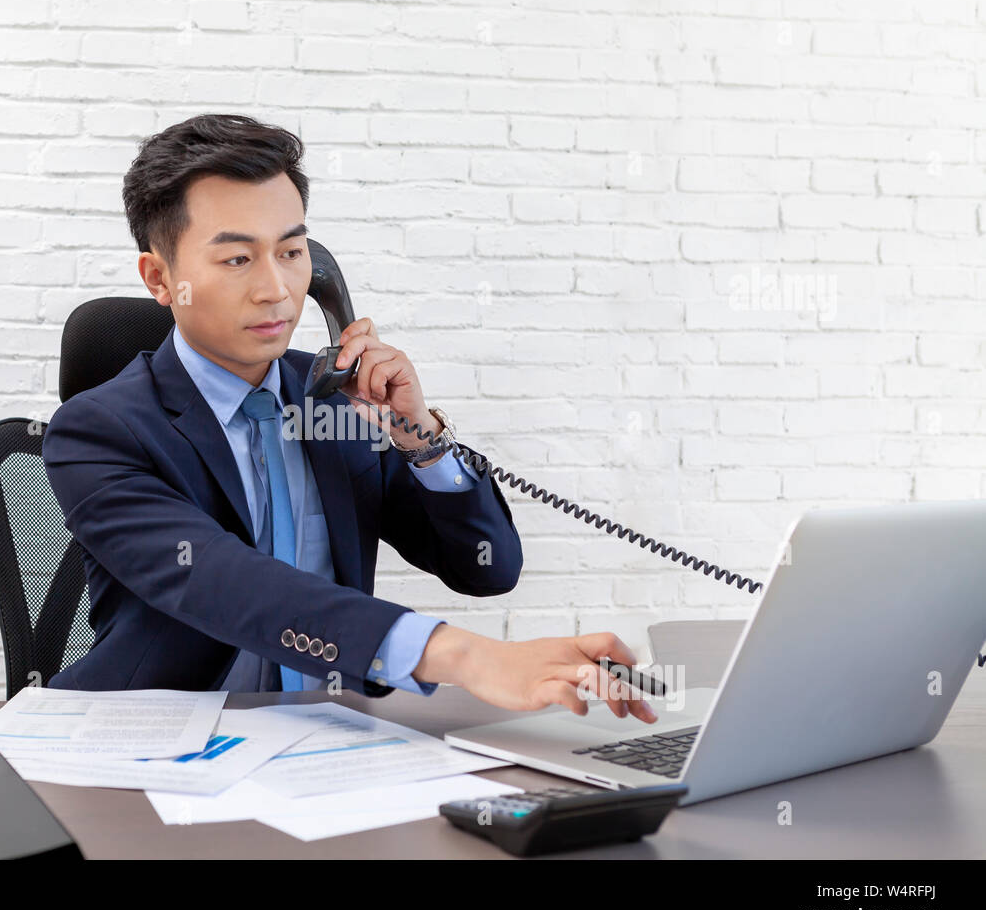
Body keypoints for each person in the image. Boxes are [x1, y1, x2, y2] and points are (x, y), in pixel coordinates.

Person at [42, 112, 655, 720]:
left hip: (326, 731)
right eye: (237, 260)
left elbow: (486, 568)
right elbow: (225, 582)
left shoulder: (333, 401)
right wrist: (468, 658)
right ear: (159, 278)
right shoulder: (96, 432)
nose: (277, 289)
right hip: (156, 739)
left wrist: (422, 439)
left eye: (291, 251)